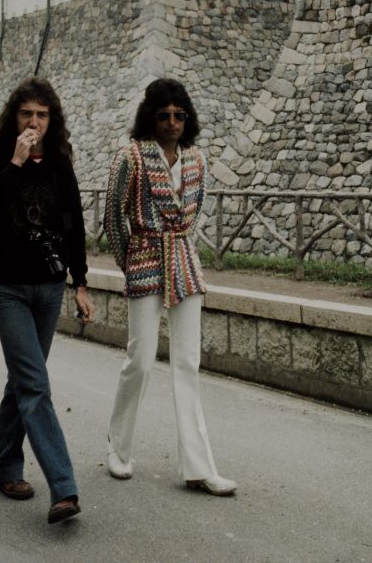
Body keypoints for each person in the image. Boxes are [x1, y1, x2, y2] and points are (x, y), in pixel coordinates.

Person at [104, 78, 236, 496]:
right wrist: (131, 262)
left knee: (187, 363)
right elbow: (113, 214)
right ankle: (118, 447)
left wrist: (178, 247)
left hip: (183, 260)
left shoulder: (196, 160)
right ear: (151, 117)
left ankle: (198, 467)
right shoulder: (131, 158)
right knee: (139, 359)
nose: (173, 122)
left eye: (180, 115)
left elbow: (192, 217)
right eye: (164, 115)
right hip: (145, 257)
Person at [0, 77, 94, 525]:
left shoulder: (61, 166)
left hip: (48, 287)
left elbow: (73, 227)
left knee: (24, 382)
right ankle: (63, 487)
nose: (34, 122)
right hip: (6, 286)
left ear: (52, 120)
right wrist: (16, 164)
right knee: (35, 384)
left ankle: (3, 467)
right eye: (27, 114)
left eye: (42, 115)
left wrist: (80, 283)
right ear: (14, 118)